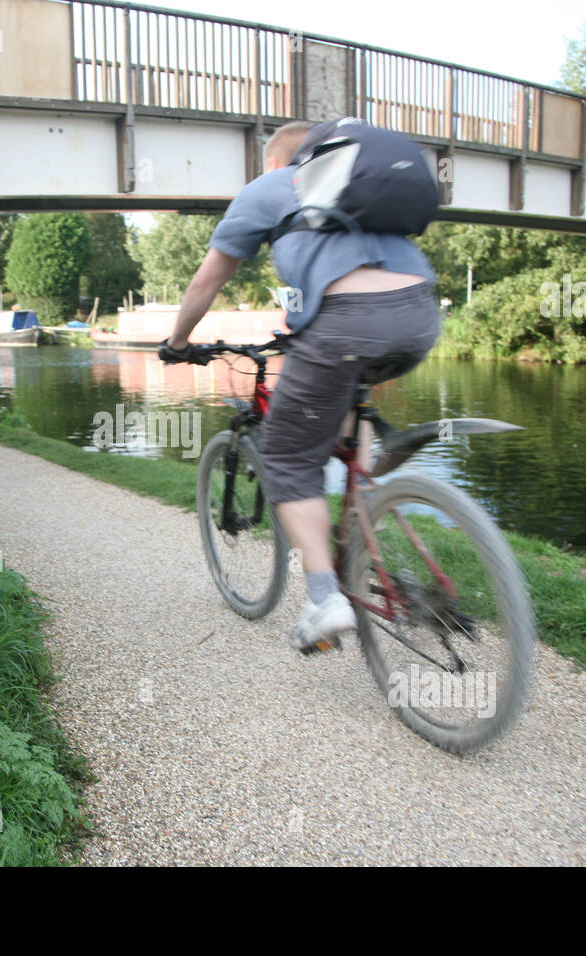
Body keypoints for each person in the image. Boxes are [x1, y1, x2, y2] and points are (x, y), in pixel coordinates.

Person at [160, 119, 443, 653]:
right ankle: (361, 524)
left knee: (289, 458)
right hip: (419, 316)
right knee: (340, 398)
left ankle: (323, 600)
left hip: (347, 321)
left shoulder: (270, 187)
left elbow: (206, 281)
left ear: (275, 161)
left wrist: (177, 343)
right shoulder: (361, 192)